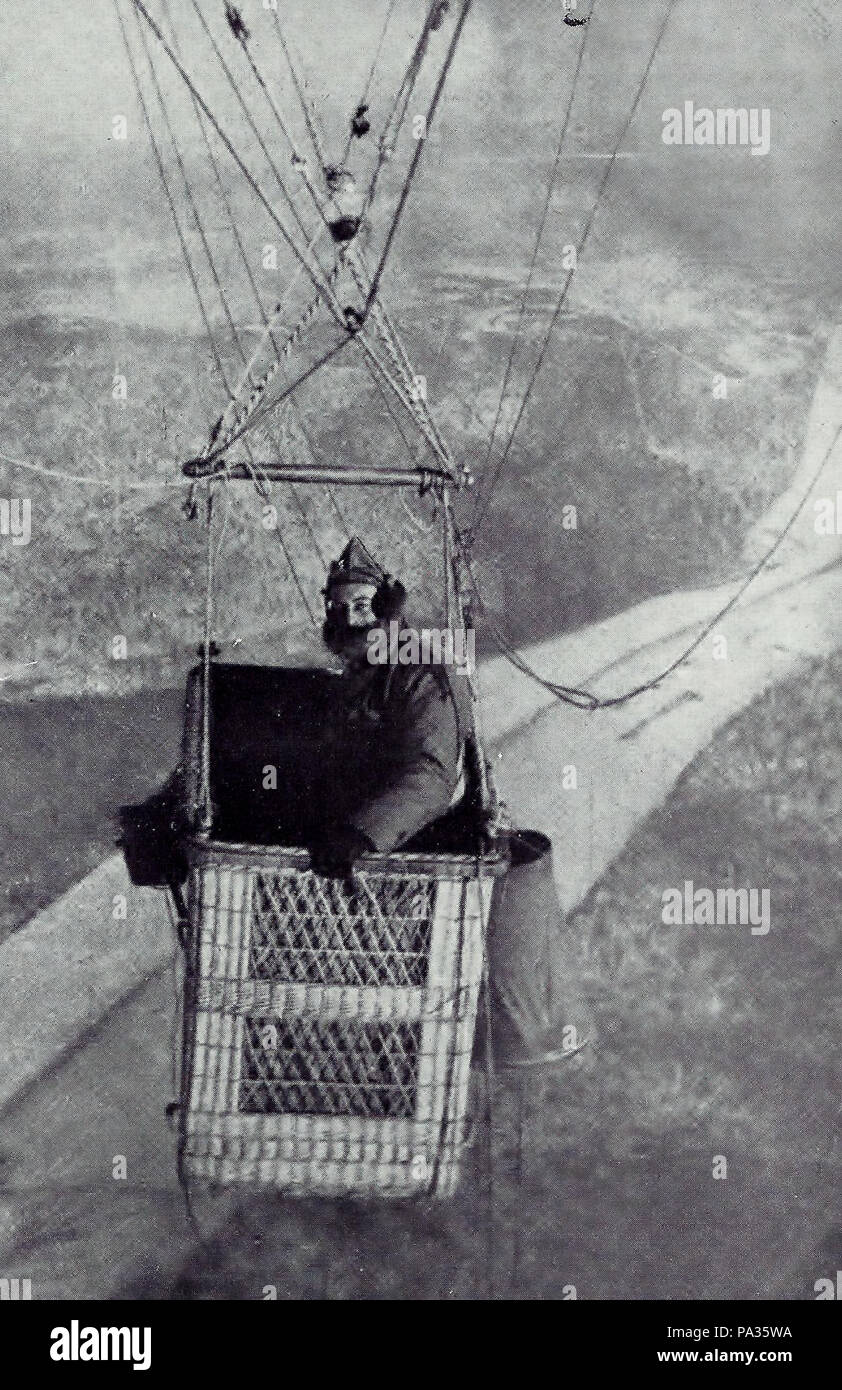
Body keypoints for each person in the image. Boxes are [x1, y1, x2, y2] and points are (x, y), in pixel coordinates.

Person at [308, 537, 473, 878]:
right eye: (338, 610)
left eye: (361, 606)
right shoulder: (360, 670)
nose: (350, 621)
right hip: (360, 840)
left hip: (419, 845)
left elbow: (431, 776)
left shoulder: (424, 671)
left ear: (386, 609)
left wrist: (361, 834)